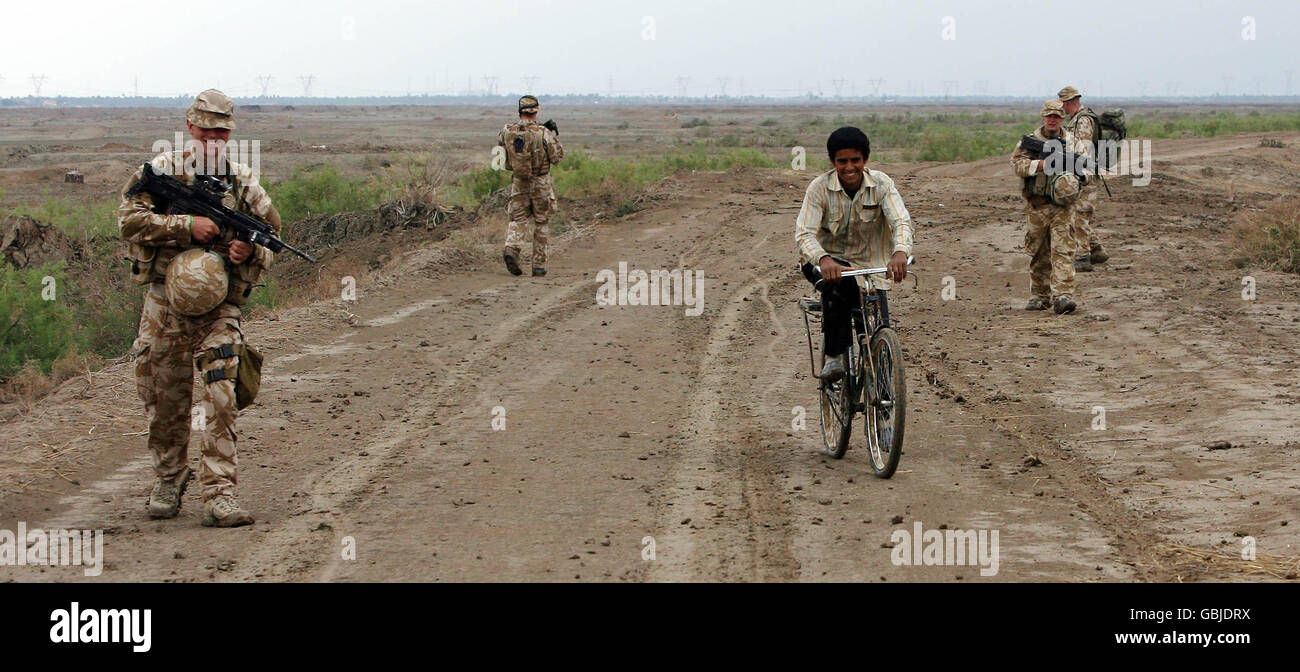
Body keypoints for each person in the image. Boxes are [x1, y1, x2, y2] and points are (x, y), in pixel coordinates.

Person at [118, 89, 280, 527]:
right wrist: (187, 225)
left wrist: (250, 253)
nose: (213, 138)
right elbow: (128, 220)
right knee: (163, 399)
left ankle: (220, 492)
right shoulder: (161, 172)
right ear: (191, 127)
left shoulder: (243, 182)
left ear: (230, 133)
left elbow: (272, 237)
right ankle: (170, 477)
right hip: (163, 304)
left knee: (222, 394)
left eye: (221, 131)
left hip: (218, 307)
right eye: (205, 130)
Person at [795, 126, 913, 381]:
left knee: (877, 323)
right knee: (840, 288)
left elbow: (900, 221)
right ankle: (835, 356)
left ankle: (881, 388)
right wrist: (824, 259)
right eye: (842, 161)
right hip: (825, 261)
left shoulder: (882, 184)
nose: (850, 167)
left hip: (871, 263)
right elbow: (804, 234)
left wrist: (900, 252)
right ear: (832, 162)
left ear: (865, 160)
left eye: (855, 160)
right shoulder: (818, 189)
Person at [1011, 100, 1090, 314]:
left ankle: (1063, 296)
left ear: (1062, 118)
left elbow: (1087, 171)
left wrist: (1071, 176)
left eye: (1056, 116)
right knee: (1038, 252)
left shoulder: (1073, 143)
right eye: (1049, 116)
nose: (1052, 120)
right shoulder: (1031, 141)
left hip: (1063, 207)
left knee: (1063, 251)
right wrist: (1042, 164)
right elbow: (1017, 165)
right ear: (1043, 117)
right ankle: (1040, 295)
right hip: (1037, 206)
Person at [497, 95, 564, 277]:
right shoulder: (543, 133)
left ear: (520, 111)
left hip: (519, 182)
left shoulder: (506, 132)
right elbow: (557, 158)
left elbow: (500, 162)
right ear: (535, 111)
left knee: (518, 219)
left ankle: (512, 248)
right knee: (542, 222)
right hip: (541, 183)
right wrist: (552, 135)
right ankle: (539, 265)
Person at [1059, 85, 1109, 271]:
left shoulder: (1083, 120)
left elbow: (1083, 149)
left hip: (1084, 174)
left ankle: (1082, 258)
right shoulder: (1076, 119)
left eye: (1063, 103)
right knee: (1078, 214)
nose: (1061, 108)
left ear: (1069, 102)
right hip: (1079, 173)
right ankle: (1096, 250)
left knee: (1079, 215)